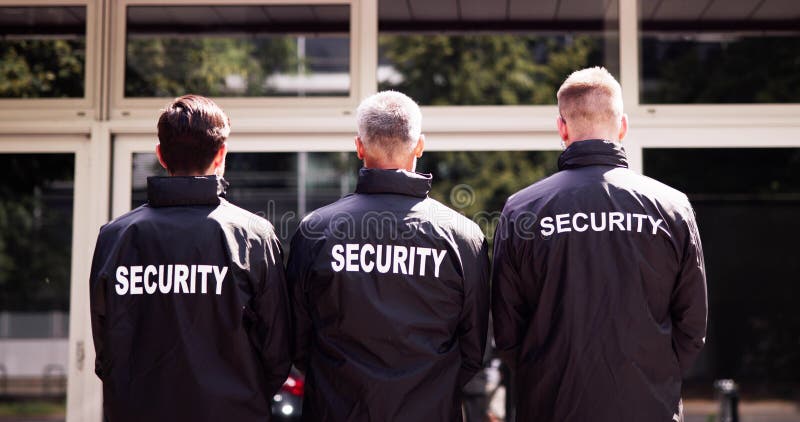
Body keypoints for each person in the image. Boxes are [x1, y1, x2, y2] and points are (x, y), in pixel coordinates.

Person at [492, 67, 707, 422]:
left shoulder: (523, 209)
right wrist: (652, 377)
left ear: (562, 128)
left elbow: (506, 330)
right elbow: (693, 326)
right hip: (647, 408)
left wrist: (544, 377)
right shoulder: (671, 208)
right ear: (623, 126)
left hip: (553, 407)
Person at [287, 91, 490, 421]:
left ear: (359, 147)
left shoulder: (315, 231)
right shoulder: (462, 237)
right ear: (419, 146)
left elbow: (296, 341)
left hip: (338, 411)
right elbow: (474, 349)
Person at [89, 95, 291, 422]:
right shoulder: (253, 237)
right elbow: (278, 352)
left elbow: (106, 347)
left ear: (160, 155)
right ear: (221, 154)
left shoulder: (115, 237)